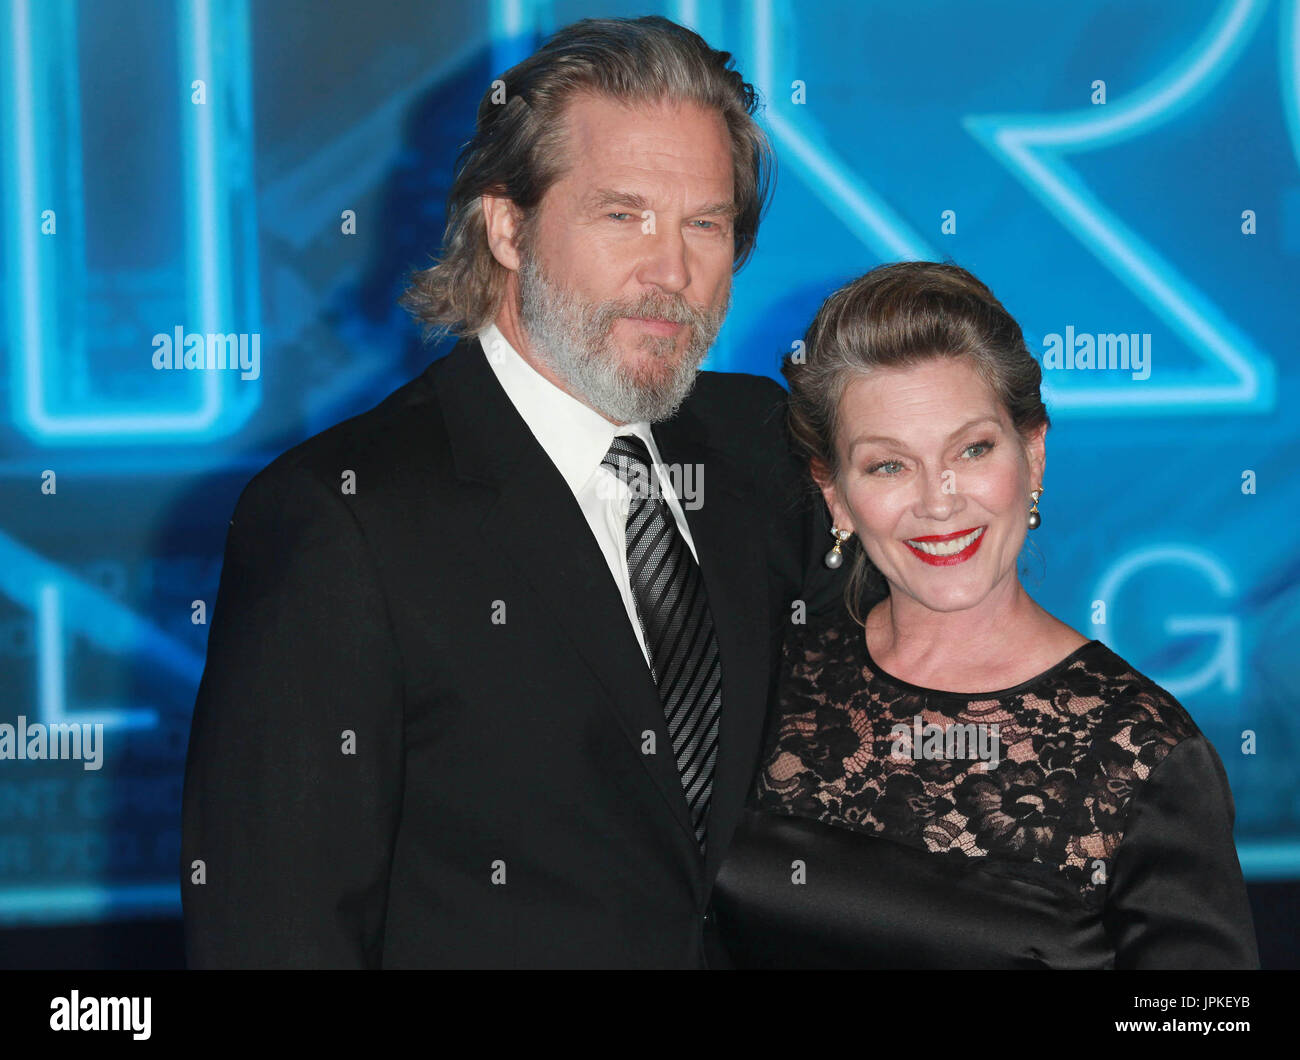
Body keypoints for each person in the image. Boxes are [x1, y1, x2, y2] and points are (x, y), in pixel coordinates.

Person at [180, 15, 843, 968]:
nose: (675, 271)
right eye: (624, 215)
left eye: (706, 223)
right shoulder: (342, 518)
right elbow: (276, 933)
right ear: (507, 227)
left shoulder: (763, 449)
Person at [710, 261, 1260, 968]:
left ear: (1032, 453)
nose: (939, 501)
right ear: (836, 495)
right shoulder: (769, 681)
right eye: (887, 465)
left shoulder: (1142, 749)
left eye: (972, 449)